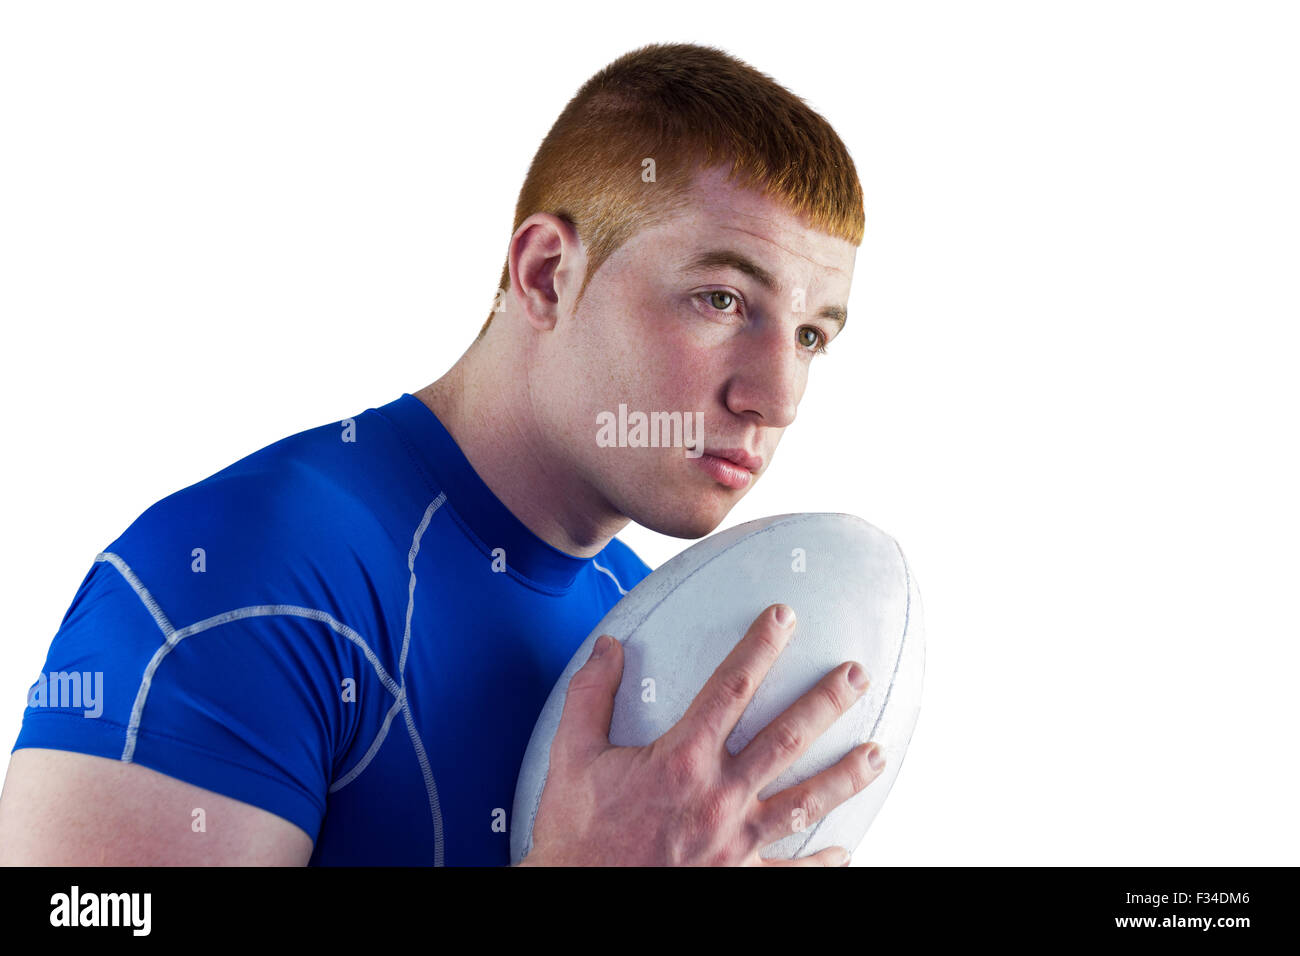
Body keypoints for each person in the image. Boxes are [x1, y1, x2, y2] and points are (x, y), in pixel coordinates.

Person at [0, 42, 886, 866]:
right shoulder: (244, 572)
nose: (778, 397)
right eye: (722, 300)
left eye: (811, 335)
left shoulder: (640, 618)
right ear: (547, 274)